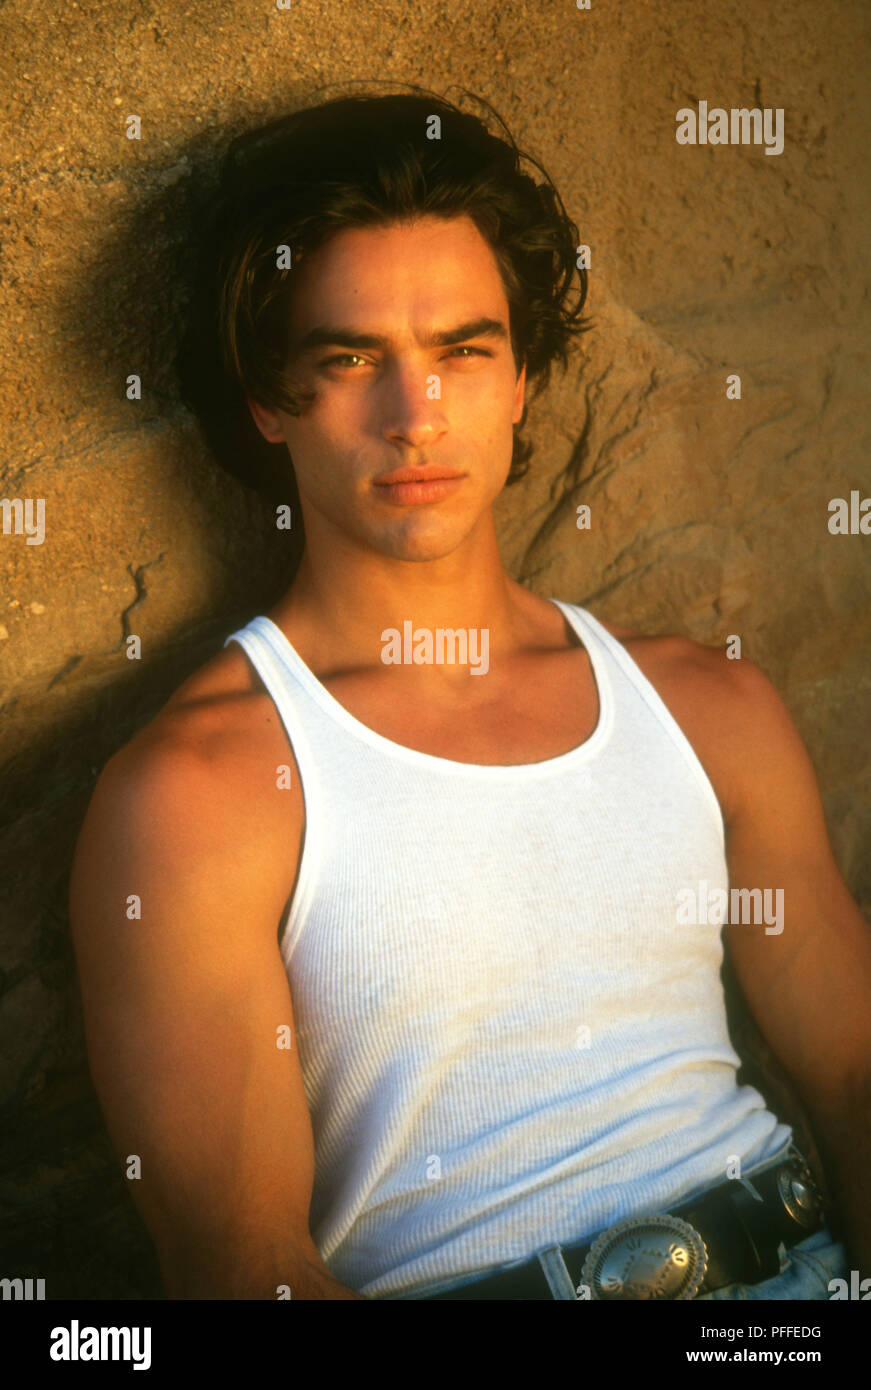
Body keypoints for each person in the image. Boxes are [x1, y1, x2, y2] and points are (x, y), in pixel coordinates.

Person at [68, 86, 870, 1301]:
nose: (414, 417)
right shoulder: (198, 794)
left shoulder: (708, 707)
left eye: (462, 351)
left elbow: (855, 1077)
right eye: (350, 362)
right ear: (267, 401)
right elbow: (244, 1271)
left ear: (522, 380)